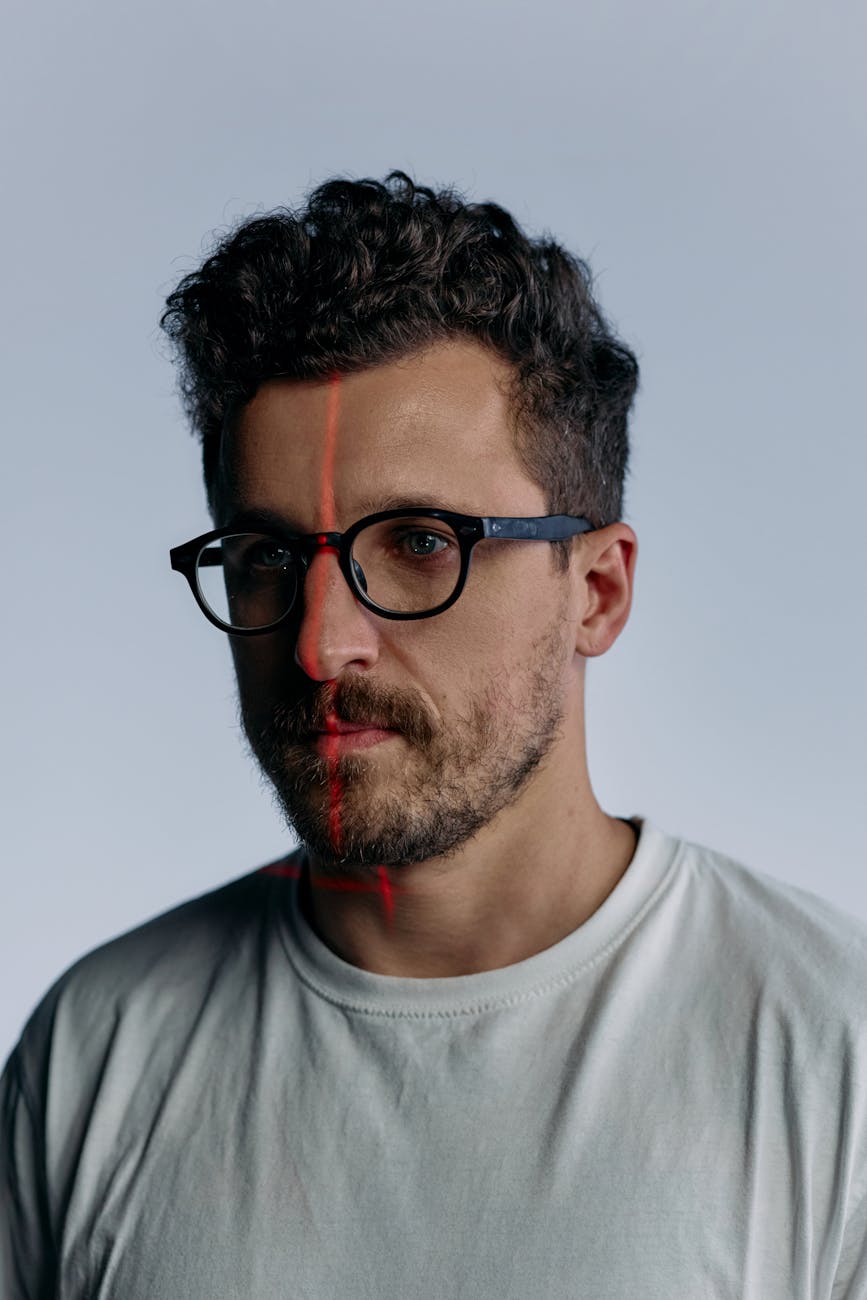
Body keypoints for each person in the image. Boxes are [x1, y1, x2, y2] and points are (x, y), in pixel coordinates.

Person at [1, 171, 865, 1298]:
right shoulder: (95, 1053)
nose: (321, 644)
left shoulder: (830, 1053)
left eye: (417, 541)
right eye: (266, 556)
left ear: (595, 591)